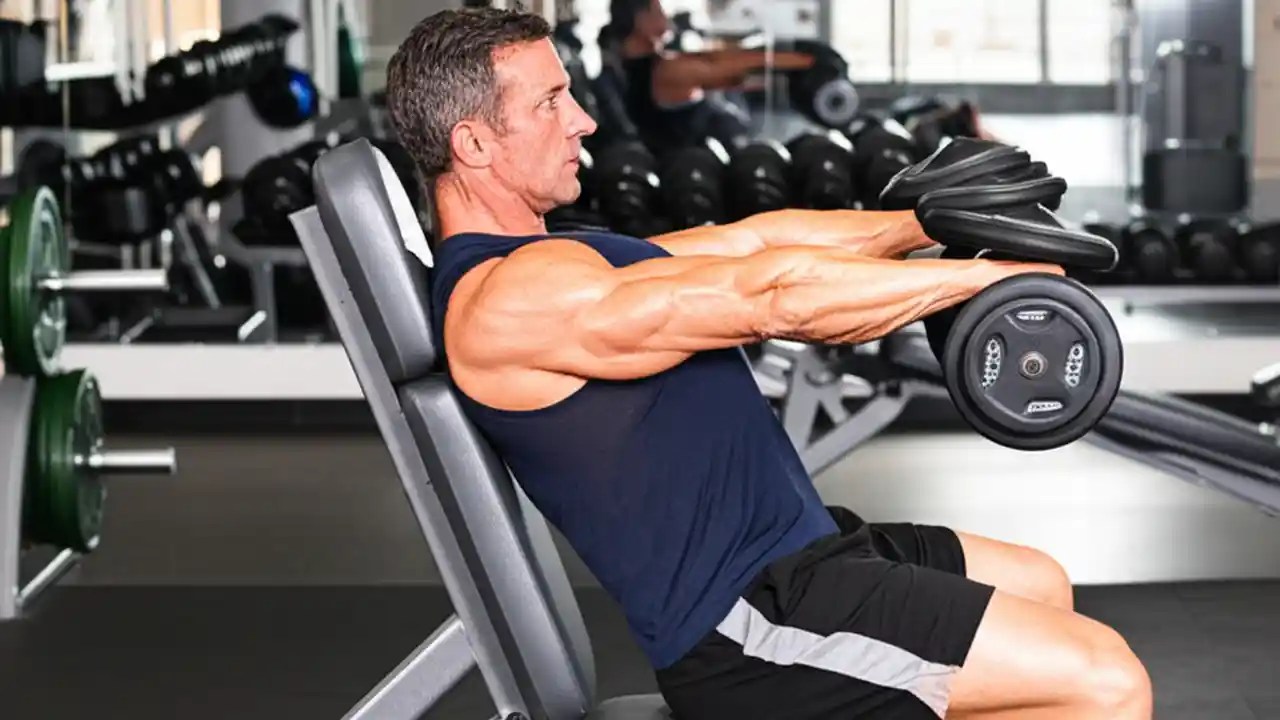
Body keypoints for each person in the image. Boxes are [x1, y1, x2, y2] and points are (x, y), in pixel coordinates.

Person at [385, 8, 1152, 719]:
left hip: (805, 554)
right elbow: (773, 296)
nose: (583, 120)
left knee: (1041, 585)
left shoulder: (558, 257)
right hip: (750, 626)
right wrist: (988, 283)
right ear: (474, 143)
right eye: (551, 102)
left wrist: (920, 222)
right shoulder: (509, 303)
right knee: (1106, 682)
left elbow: (755, 242)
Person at [598, 0, 812, 154]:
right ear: (640, 20)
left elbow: (712, 58)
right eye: (659, 9)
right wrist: (805, 61)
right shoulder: (665, 71)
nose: (665, 16)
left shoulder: (645, 64)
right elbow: (726, 71)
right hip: (685, 169)